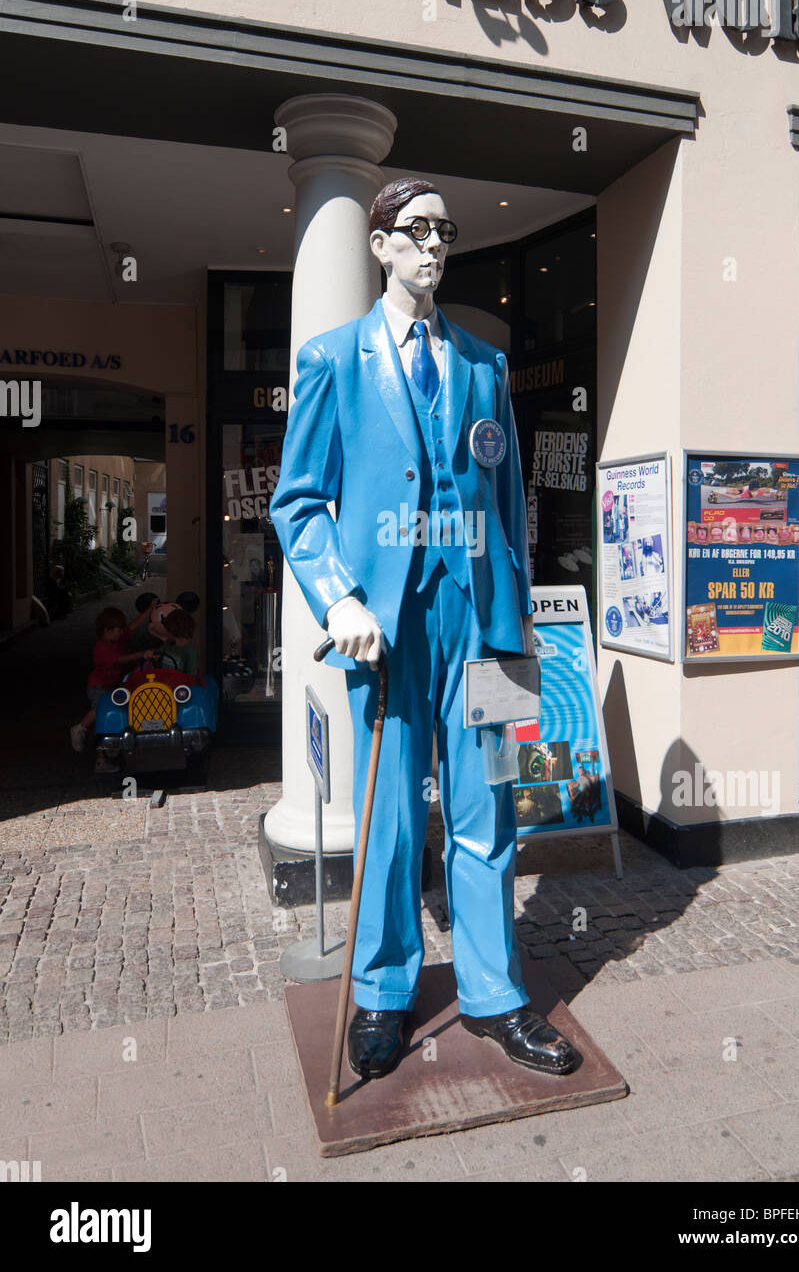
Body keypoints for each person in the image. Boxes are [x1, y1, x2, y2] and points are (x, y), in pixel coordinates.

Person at [271, 176, 578, 1081]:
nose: (433, 245)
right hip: (386, 626)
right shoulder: (333, 359)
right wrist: (338, 600)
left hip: (477, 621)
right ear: (379, 245)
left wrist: (517, 621)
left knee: (487, 810)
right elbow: (298, 503)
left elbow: (507, 500)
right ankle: (381, 990)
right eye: (415, 230)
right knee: (393, 818)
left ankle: (494, 993)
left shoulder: (484, 366)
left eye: (444, 230)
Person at [70, 601, 158, 768]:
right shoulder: (102, 648)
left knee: (107, 718)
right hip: (99, 687)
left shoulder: (115, 639)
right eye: (118, 630)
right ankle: (81, 727)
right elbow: (119, 660)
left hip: (111, 687)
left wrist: (149, 609)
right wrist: (142, 654)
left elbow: (133, 625)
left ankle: (104, 755)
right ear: (107, 631)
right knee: (100, 710)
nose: (121, 633)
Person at [155, 607, 199, 679]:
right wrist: (150, 655)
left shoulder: (190, 651)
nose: (166, 632)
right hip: (163, 681)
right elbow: (156, 656)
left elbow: (191, 677)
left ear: (173, 629)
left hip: (179, 684)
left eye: (167, 630)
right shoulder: (167, 643)